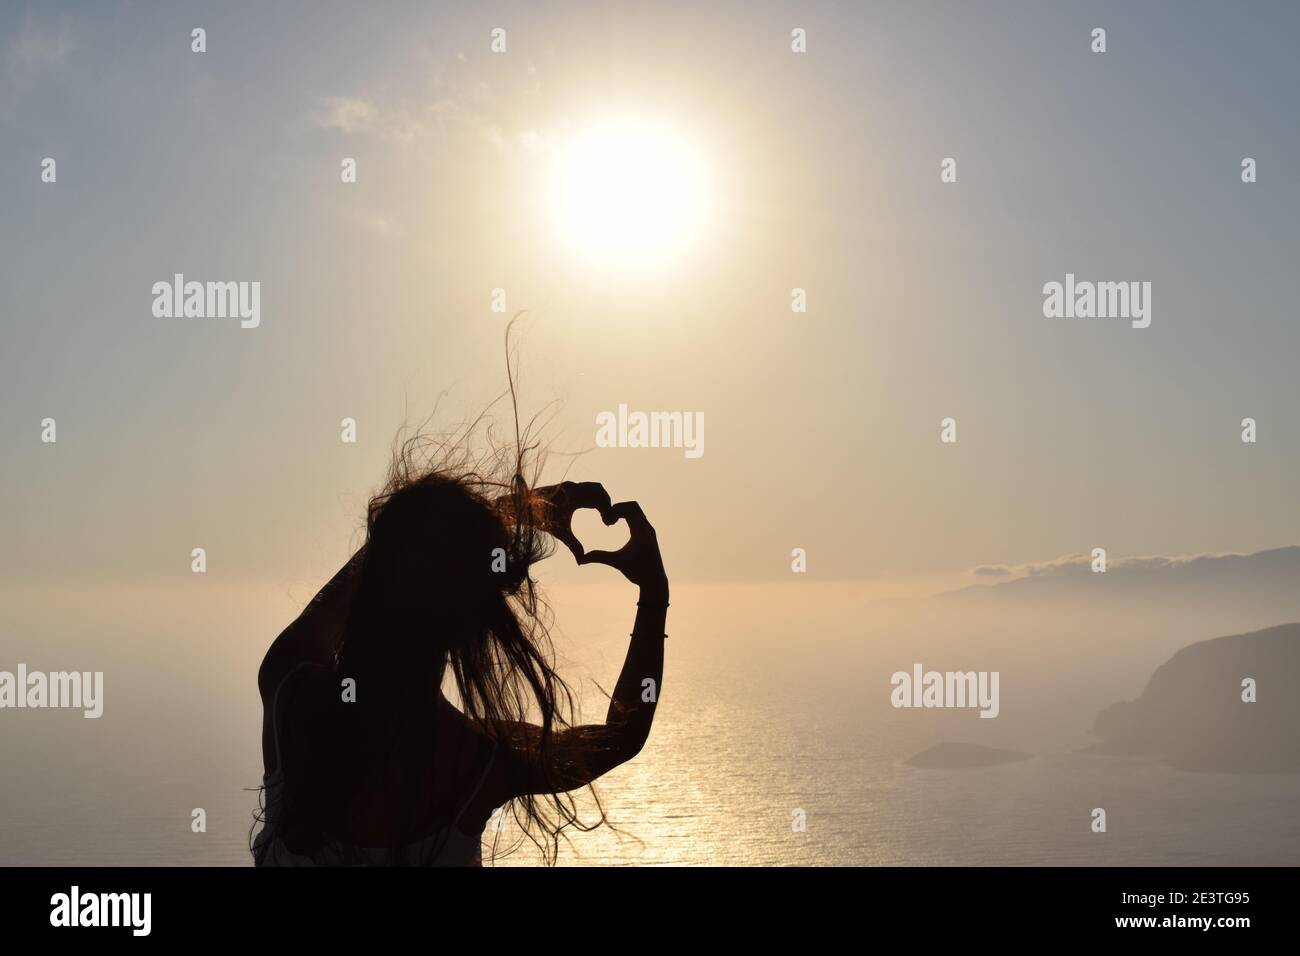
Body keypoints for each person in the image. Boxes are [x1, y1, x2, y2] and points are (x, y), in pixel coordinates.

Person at [252, 439, 668, 866]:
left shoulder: (290, 693)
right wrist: (654, 593)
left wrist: (507, 511)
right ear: (472, 624)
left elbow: (379, 565)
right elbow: (622, 736)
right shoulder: (480, 765)